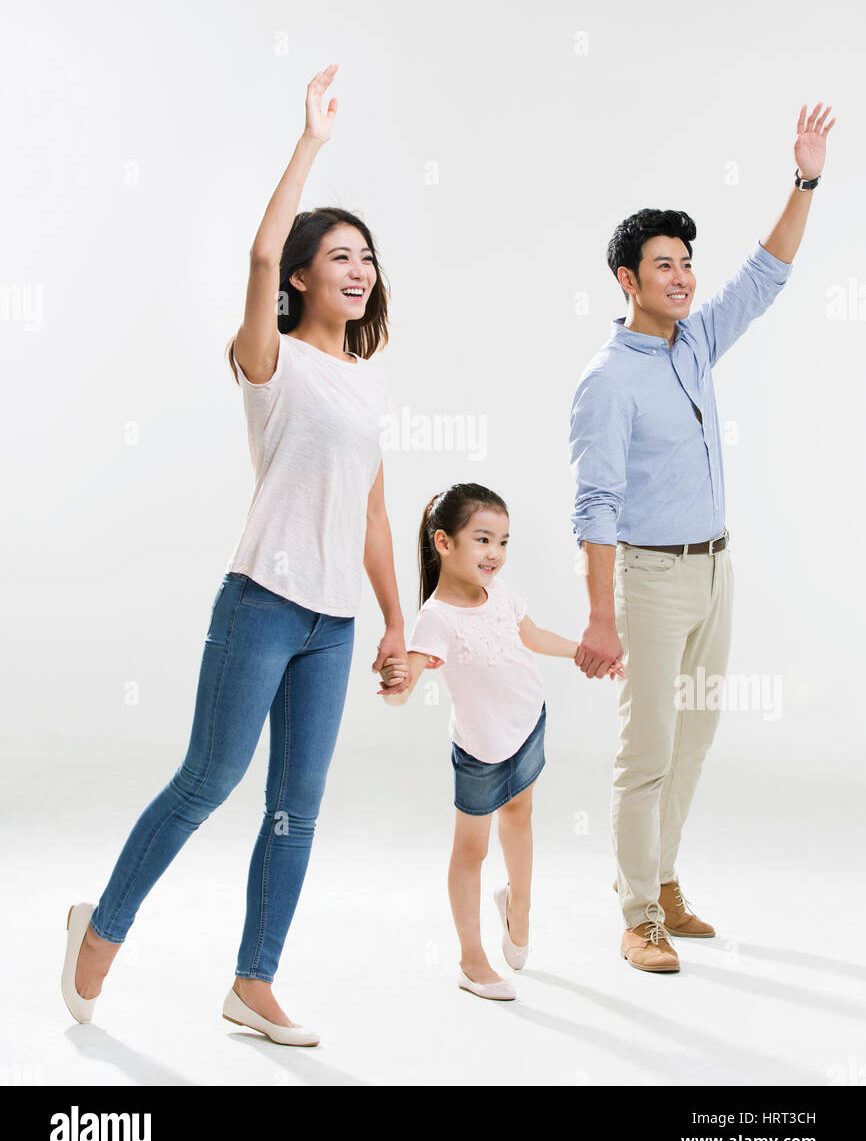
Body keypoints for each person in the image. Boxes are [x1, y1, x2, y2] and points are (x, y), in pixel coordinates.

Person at [61, 65, 411, 1045]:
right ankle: (103, 926)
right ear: (302, 276)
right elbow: (259, 257)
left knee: (295, 808)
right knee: (207, 782)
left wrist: (397, 622)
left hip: (334, 626)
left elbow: (376, 516)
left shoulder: (364, 386)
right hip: (260, 604)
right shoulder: (268, 359)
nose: (356, 268)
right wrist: (310, 144)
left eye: (367, 257)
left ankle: (252, 982)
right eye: (336, 255)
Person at [568, 103, 835, 974]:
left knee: (696, 736)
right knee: (646, 748)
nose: (681, 278)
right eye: (663, 266)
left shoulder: (693, 343)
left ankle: (664, 878)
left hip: (715, 570)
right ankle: (637, 911)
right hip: (646, 582)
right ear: (625, 278)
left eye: (686, 263)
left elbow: (766, 275)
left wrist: (804, 179)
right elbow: (595, 507)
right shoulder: (608, 384)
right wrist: (600, 618)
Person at [378, 483, 581, 1000]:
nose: (496, 554)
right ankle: (472, 959)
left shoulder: (503, 593)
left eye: (504, 542)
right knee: (470, 851)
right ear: (443, 543)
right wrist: (396, 686)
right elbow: (408, 684)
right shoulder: (436, 619)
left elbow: (530, 636)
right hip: (481, 751)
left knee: (521, 815)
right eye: (484, 540)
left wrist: (581, 651)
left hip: (528, 725)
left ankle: (520, 904)